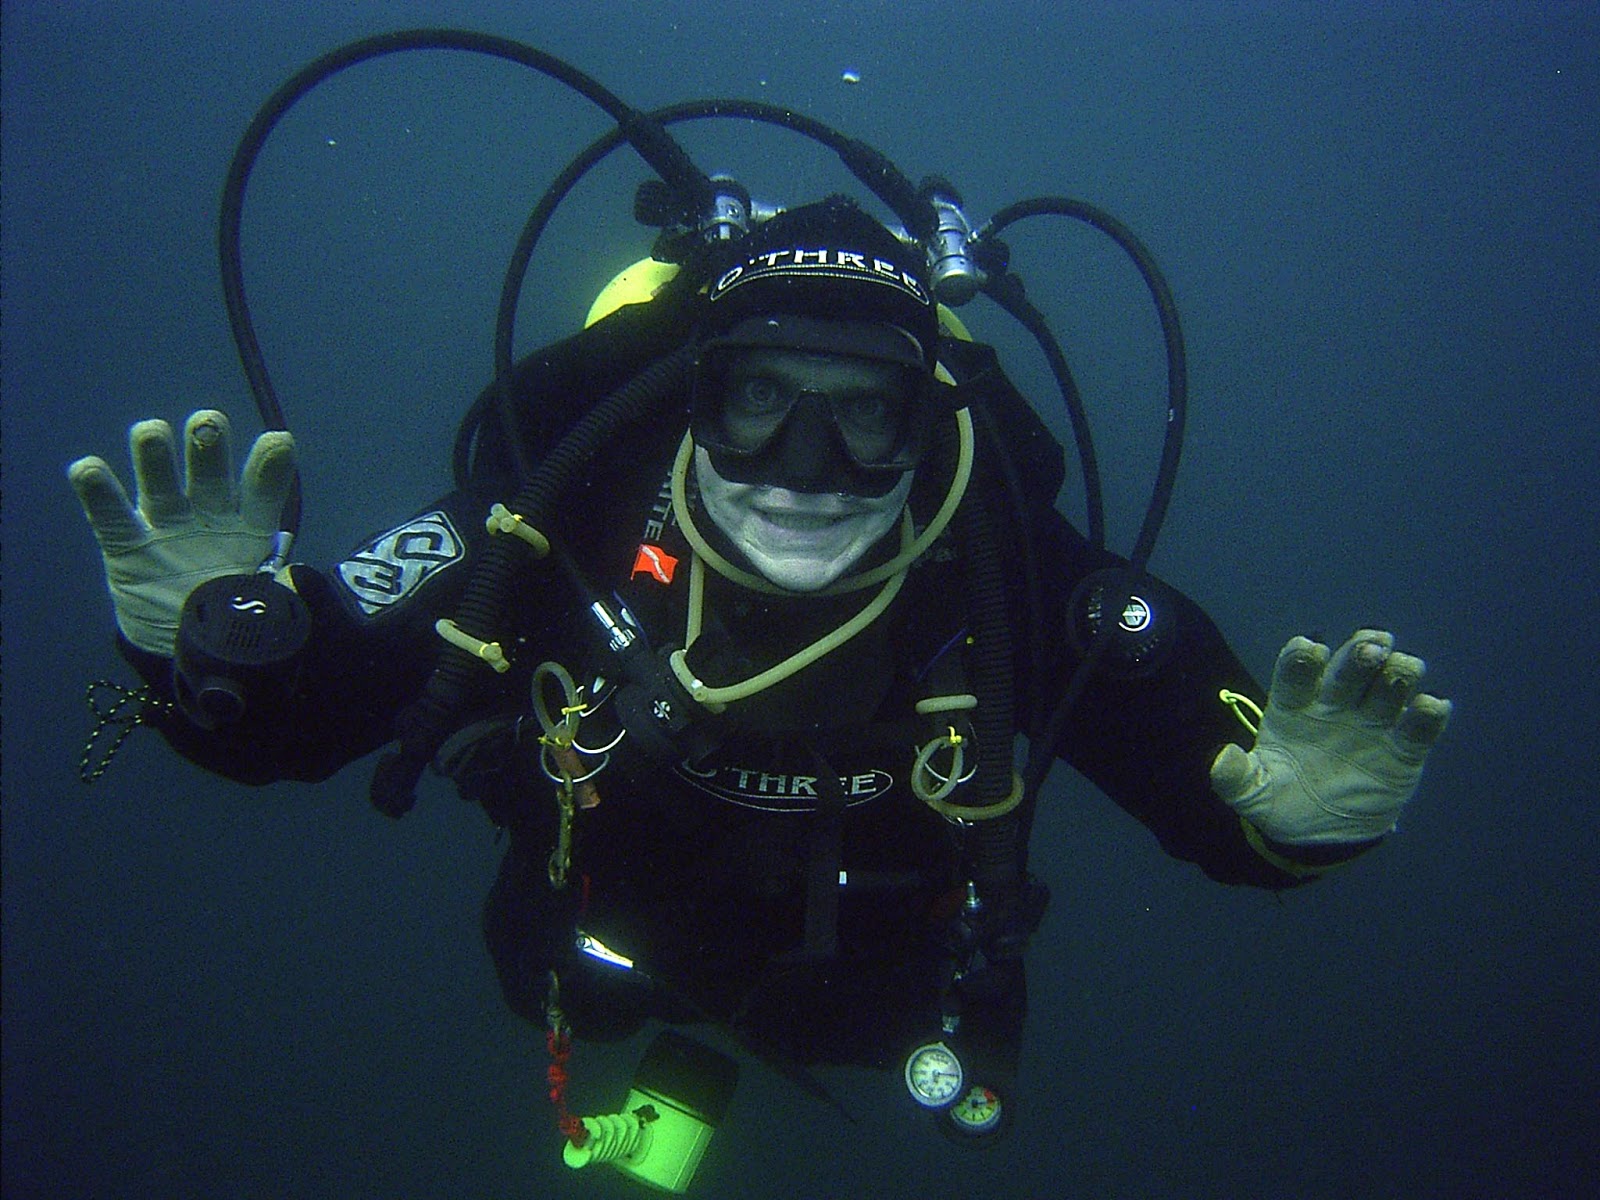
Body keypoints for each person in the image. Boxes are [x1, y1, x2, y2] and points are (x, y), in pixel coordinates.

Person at [68, 197, 1451, 1147]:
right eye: (758, 402)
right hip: (594, 970)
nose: (808, 467)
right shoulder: (558, 525)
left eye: (867, 416)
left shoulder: (1009, 568)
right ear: (693, 396)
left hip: (880, 1005)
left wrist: (1287, 830)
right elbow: (281, 713)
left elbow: (1215, 776)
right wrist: (181, 644)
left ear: (933, 423)